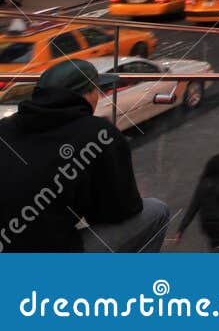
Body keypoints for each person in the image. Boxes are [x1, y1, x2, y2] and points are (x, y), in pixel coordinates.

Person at [0, 59, 169, 251]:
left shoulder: (4, 127)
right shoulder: (99, 133)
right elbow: (119, 212)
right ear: (87, 95)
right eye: (97, 90)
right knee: (156, 211)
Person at [174, 154, 219, 250]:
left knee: (215, 246)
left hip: (207, 224)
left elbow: (193, 207)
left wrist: (181, 229)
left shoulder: (203, 184)